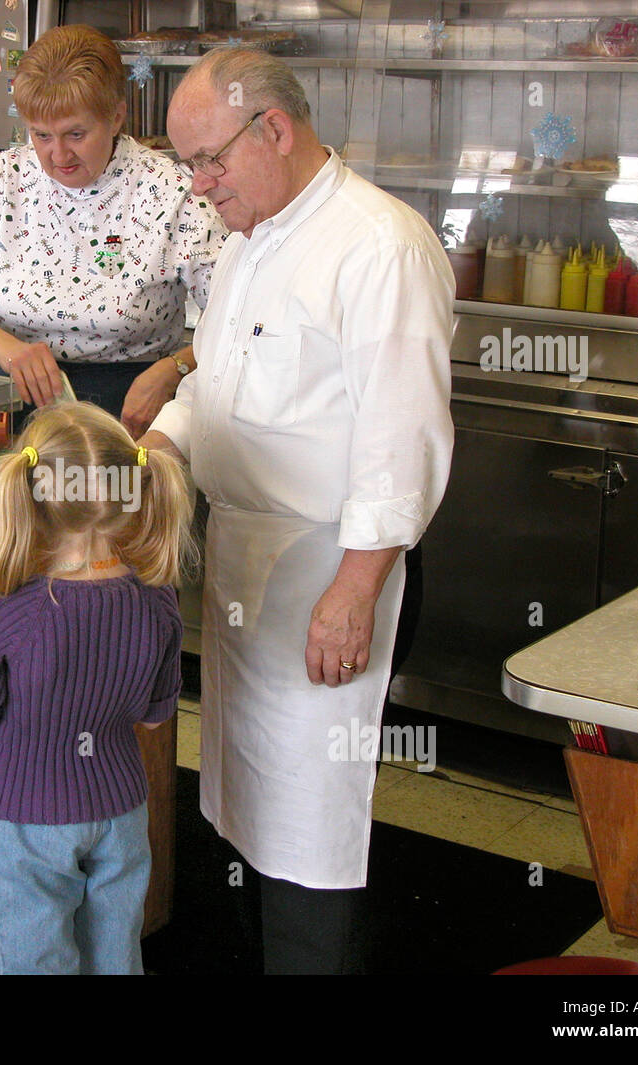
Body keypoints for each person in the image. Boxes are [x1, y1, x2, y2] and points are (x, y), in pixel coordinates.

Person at [140, 48, 456, 974]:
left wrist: (355, 588)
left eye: (208, 162)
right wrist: (158, 446)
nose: (198, 187)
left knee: (313, 810)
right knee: (246, 792)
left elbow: (406, 440)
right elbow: (217, 381)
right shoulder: (249, 240)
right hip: (246, 557)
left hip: (335, 564)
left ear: (272, 129)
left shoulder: (380, 245)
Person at [0, 402, 194, 974]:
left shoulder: (12, 612)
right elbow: (154, 717)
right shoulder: (158, 599)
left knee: (34, 961)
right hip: (122, 808)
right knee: (116, 955)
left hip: (29, 814)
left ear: (32, 498)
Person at [0, 24, 227, 438]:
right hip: (25, 409)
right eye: (41, 135)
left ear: (115, 117)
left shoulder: (169, 191)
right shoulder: (9, 178)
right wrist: (6, 350)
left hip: (137, 412)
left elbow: (237, 316)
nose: (58, 155)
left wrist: (176, 369)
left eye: (76, 134)